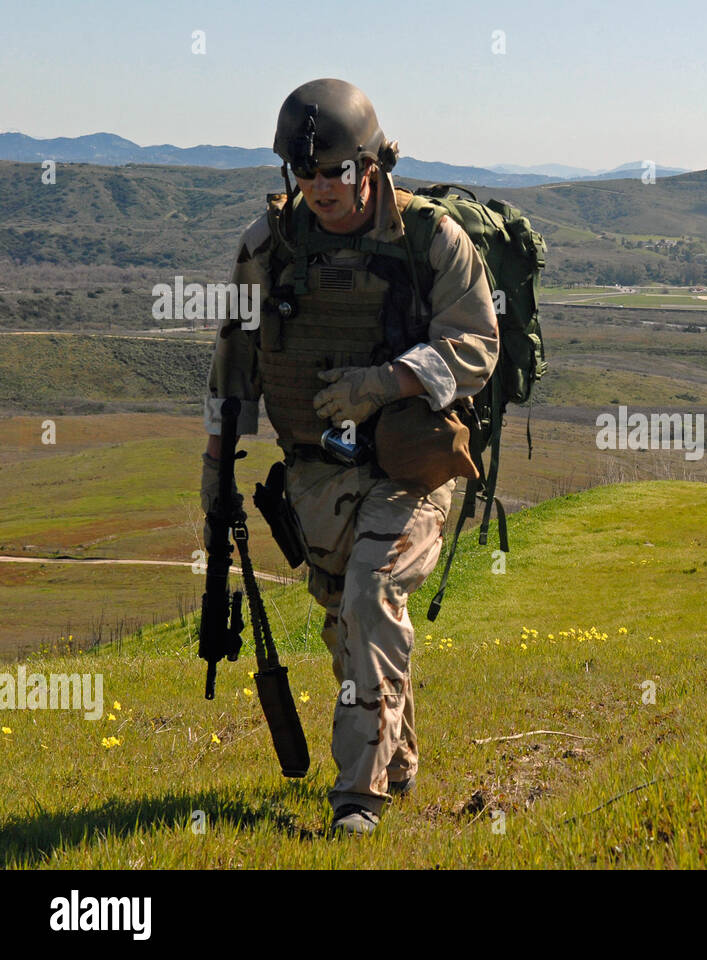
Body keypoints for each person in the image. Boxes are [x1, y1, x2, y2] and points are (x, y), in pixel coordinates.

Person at [199, 78, 498, 835]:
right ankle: (395, 764)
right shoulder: (269, 248)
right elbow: (233, 361)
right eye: (305, 174)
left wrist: (384, 382)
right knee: (344, 621)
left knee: (371, 595)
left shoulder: (431, 240)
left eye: (334, 172)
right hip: (314, 475)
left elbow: (477, 345)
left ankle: (356, 801)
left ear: (371, 164)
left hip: (410, 465)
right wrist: (214, 469)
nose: (319, 189)